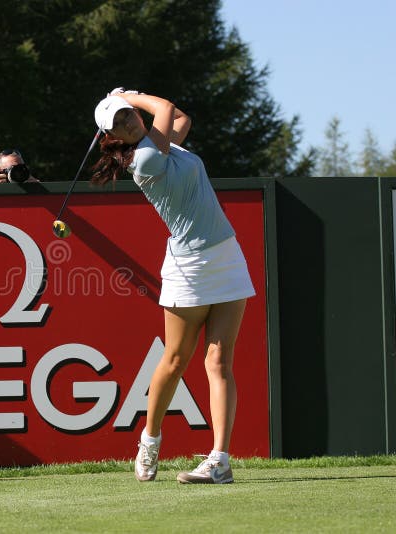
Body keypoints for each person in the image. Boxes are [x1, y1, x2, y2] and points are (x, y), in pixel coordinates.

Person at [91, 89, 255, 484]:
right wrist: (130, 93)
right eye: (119, 123)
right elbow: (164, 109)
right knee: (176, 360)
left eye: (128, 114)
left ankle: (220, 460)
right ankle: (150, 438)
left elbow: (181, 118)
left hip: (227, 256)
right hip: (189, 267)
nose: (130, 121)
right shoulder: (145, 158)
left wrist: (128, 101)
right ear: (112, 138)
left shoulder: (164, 145)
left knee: (219, 362)